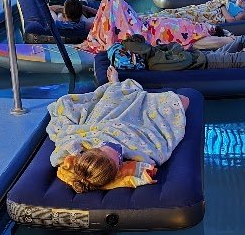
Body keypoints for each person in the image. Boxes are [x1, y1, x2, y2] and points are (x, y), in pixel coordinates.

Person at [47, 65, 188, 193]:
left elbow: (59, 157)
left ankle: (115, 84)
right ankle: (123, 89)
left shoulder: (76, 149)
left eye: (103, 147)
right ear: (120, 166)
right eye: (119, 157)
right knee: (180, 101)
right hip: (136, 129)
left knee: (111, 100)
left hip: (103, 122)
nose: (113, 148)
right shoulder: (139, 158)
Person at [79, 0, 237, 54]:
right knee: (110, 0)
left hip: (146, 32)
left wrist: (230, 39)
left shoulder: (198, 36)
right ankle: (94, 20)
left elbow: (223, 40)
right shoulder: (200, 28)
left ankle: (96, 27)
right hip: (149, 24)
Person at [110, 34, 245, 71]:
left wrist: (171, 47)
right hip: (209, 63)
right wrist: (174, 47)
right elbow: (184, 58)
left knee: (241, 39)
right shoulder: (155, 63)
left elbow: (179, 51)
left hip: (206, 56)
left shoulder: (152, 53)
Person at [159, 0, 245, 25]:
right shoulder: (230, 2)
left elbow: (231, 21)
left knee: (190, 15)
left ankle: (164, 20)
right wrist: (221, 2)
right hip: (210, 7)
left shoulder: (243, 12)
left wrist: (222, 7)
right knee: (188, 10)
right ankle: (161, 16)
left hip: (217, 13)